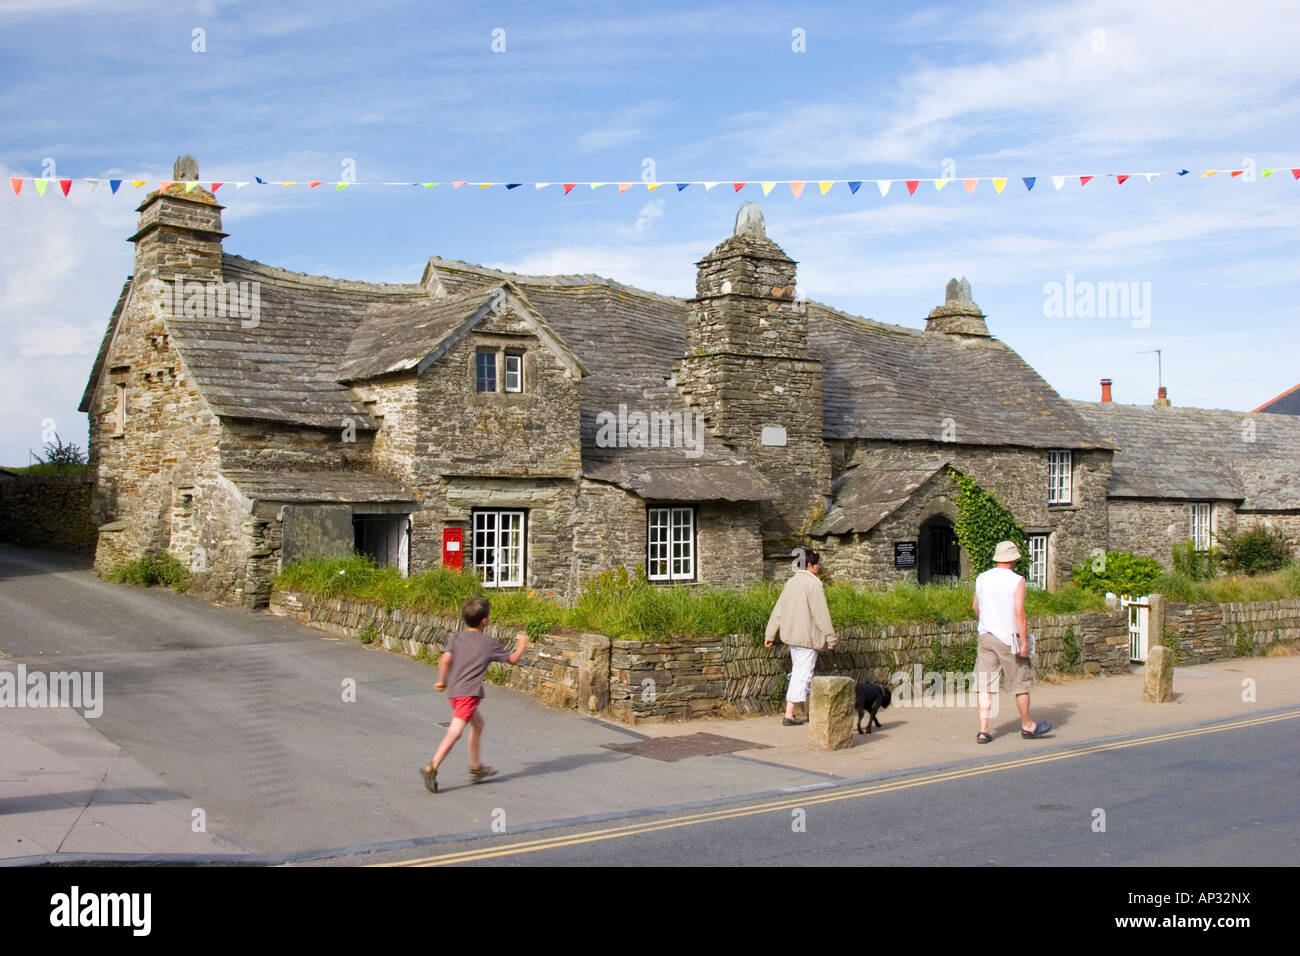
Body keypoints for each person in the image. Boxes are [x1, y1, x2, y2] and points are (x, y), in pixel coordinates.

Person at [420, 595, 529, 793]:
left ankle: (476, 767)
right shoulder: (488, 643)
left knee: (478, 724)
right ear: (485, 621)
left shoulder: (456, 638)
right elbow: (512, 660)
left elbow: (444, 661)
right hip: (468, 695)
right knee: (455, 732)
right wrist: (522, 645)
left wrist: (441, 681)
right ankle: (432, 766)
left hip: (454, 691)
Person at [972, 540, 1050, 744]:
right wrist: (1024, 643)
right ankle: (1028, 726)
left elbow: (975, 607)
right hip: (1008, 638)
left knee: (985, 685)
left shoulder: (982, 578)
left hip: (986, 636)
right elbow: (1019, 614)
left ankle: (983, 730)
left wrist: (987, 621)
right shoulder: (1017, 580)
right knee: (1020, 683)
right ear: (1014, 559)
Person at [764, 548, 837, 726]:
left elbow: (778, 610)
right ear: (810, 565)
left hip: (791, 636)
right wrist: (831, 638)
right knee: (802, 674)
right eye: (817, 564)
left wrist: (770, 634)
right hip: (807, 638)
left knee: (804, 672)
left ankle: (812, 711)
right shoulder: (814, 585)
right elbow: (821, 615)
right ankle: (789, 714)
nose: (819, 567)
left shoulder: (791, 582)